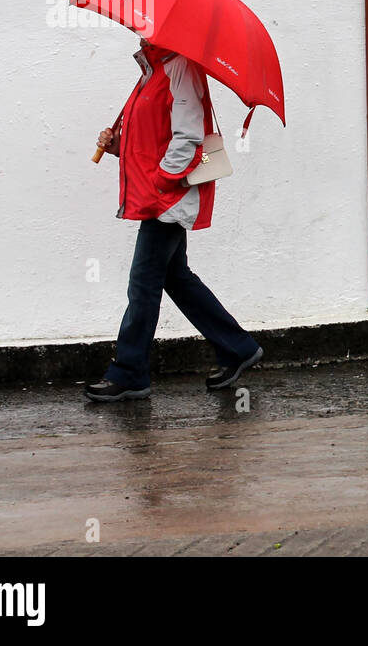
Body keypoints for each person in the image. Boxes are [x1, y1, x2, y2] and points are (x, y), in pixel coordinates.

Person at [85, 39, 263, 402]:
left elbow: (188, 136)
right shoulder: (152, 71)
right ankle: (239, 347)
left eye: (147, 23)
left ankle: (130, 372)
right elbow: (153, 138)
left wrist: (160, 181)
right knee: (175, 278)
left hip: (168, 198)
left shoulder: (181, 68)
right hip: (159, 197)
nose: (140, 30)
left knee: (142, 284)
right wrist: (118, 144)